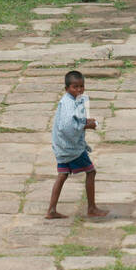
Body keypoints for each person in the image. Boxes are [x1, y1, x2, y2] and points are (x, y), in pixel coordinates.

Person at [46, 69, 107, 219]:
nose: (79, 90)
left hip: (62, 146)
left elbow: (75, 119)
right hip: (70, 147)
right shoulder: (68, 104)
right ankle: (91, 208)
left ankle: (51, 210)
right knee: (91, 172)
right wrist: (86, 125)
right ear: (67, 88)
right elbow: (68, 126)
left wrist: (85, 121)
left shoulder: (74, 100)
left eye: (81, 86)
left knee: (62, 174)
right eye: (75, 87)